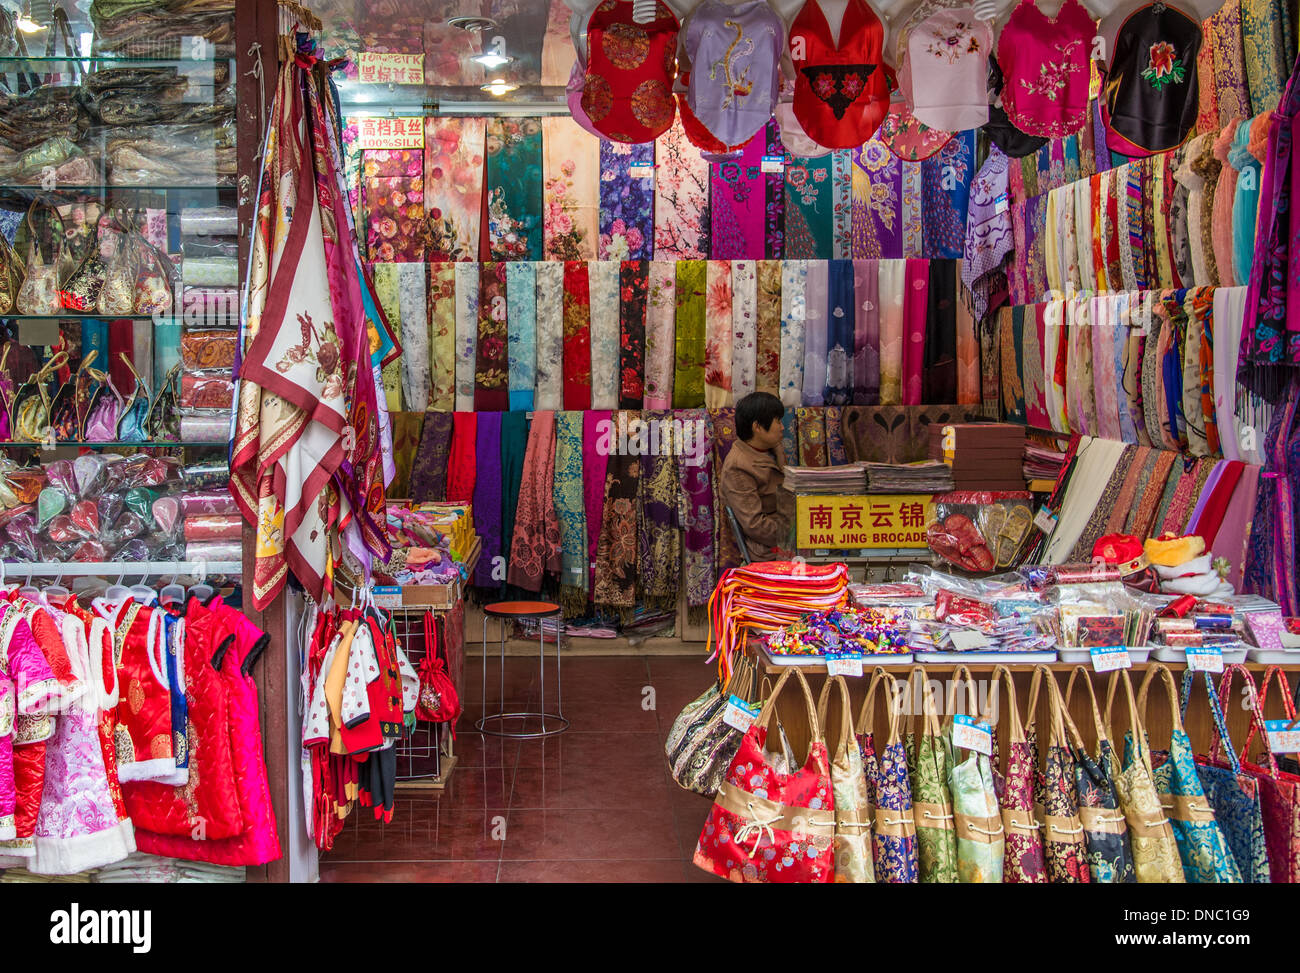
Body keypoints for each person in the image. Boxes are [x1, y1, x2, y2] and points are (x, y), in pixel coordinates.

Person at [719, 391, 795, 559]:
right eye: (778, 421)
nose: (782, 427)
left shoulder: (772, 449)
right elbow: (755, 525)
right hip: (769, 550)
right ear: (758, 427)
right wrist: (797, 532)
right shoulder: (738, 467)